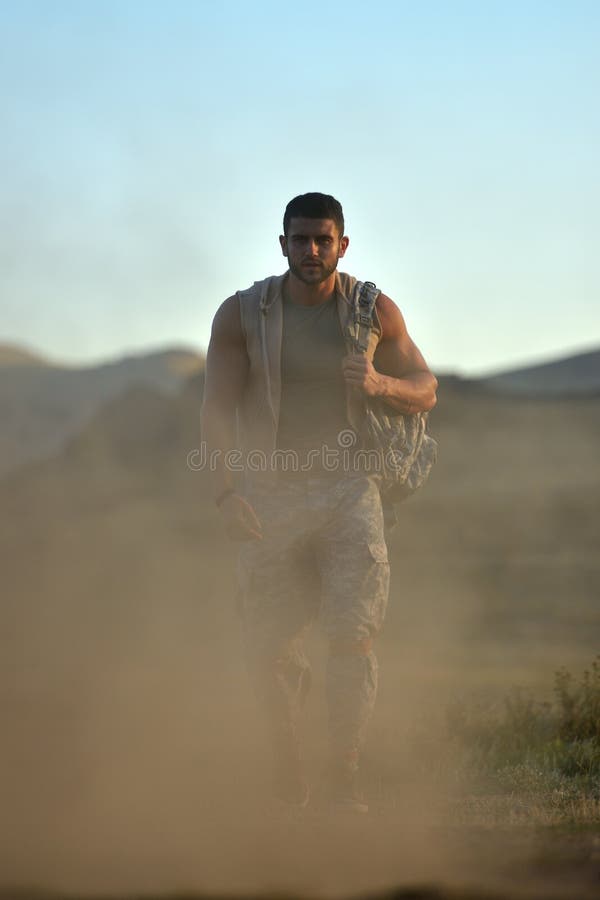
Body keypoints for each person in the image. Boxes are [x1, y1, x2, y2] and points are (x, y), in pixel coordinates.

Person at [200, 193, 437, 812]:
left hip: (349, 488)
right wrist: (225, 494)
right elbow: (216, 409)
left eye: (322, 240)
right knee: (268, 646)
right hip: (268, 490)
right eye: (299, 240)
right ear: (282, 244)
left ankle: (344, 777)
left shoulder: (370, 310)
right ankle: (287, 766)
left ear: (342, 245)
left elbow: (426, 387)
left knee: (352, 638)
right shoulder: (242, 314)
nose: (310, 251)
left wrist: (380, 382)